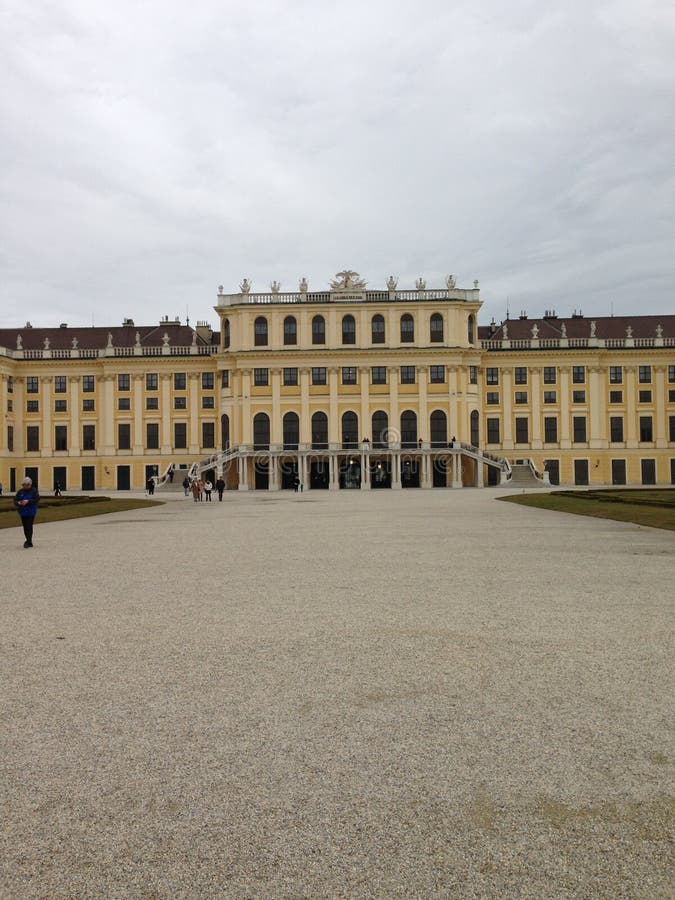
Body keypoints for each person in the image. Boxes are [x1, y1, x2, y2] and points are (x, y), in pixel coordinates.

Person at [13, 476, 40, 548]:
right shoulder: (20, 491)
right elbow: (15, 500)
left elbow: (36, 499)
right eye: (24, 485)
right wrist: (19, 502)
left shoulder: (34, 491)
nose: (25, 486)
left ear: (30, 484)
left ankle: (28, 542)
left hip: (31, 511)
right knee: (25, 527)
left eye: (27, 485)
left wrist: (28, 501)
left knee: (29, 525)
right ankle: (29, 541)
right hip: (23, 512)